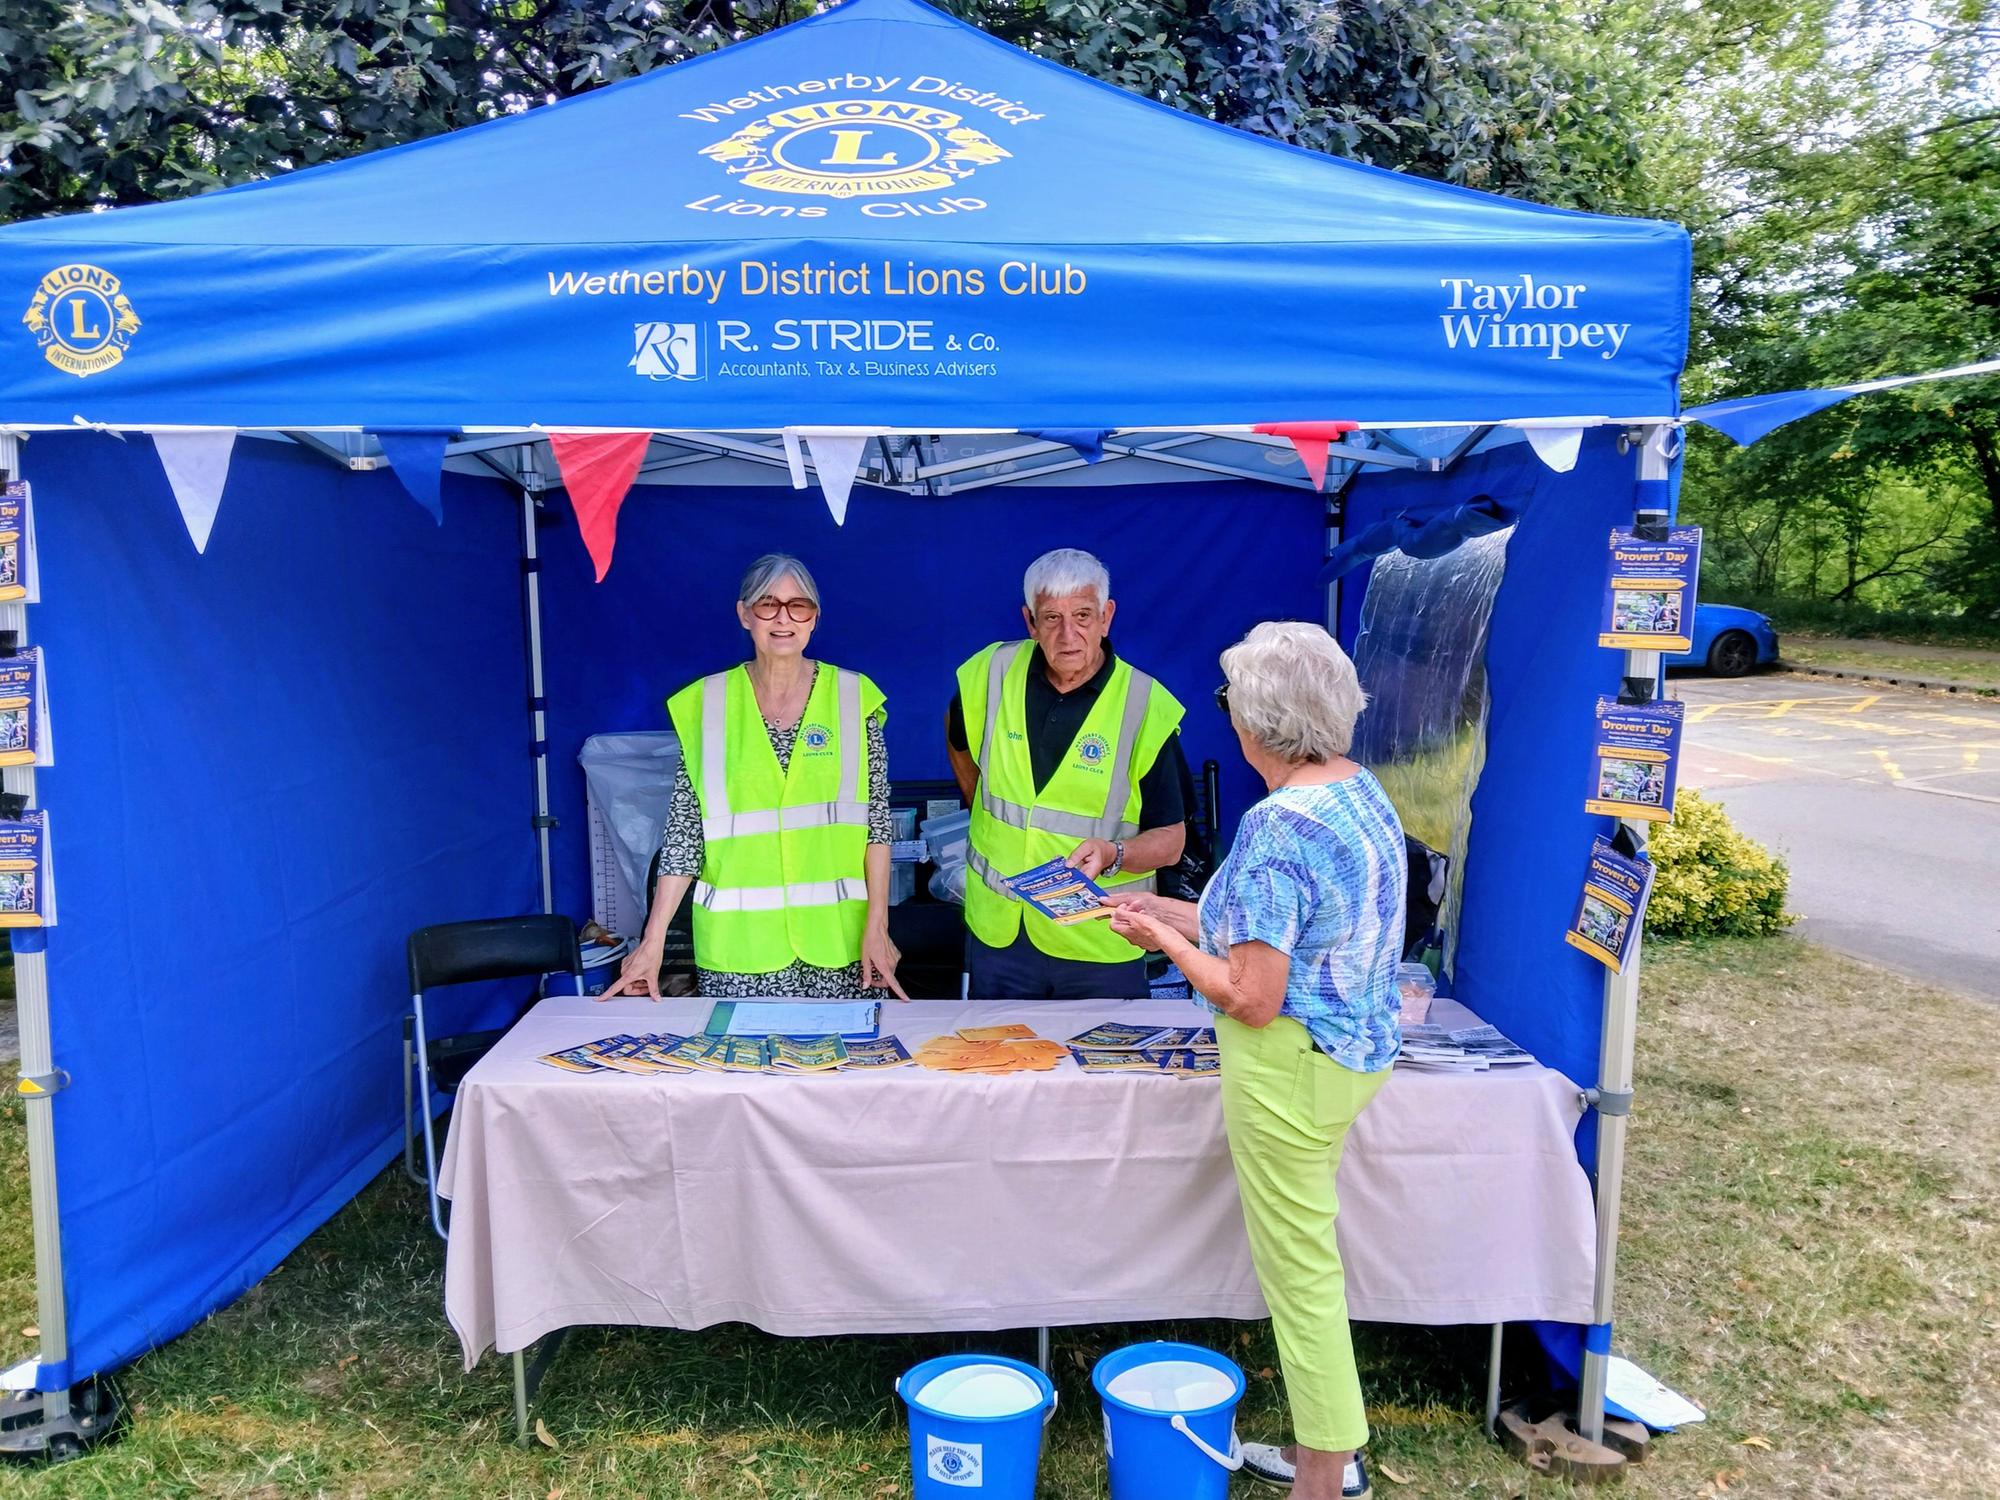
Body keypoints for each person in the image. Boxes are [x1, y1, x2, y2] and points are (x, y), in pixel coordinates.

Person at [1105, 621, 1405, 1500]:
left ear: (1254, 724)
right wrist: (1170, 907)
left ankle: (1323, 1477)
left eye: (1230, 701)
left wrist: (1158, 933)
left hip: (1289, 1069)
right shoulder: (1356, 791)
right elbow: (1277, 932)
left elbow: (1249, 992)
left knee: (1302, 1284)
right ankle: (1326, 1458)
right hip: (1349, 1055)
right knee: (1312, 1267)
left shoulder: (1279, 827)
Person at [604, 554, 907, 1000]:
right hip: (738, 952)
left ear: (814, 618)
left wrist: (878, 927)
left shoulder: (853, 698)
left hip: (841, 946)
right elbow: (684, 839)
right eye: (768, 604)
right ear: (745, 614)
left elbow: (877, 827)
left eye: (798, 605)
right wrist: (652, 944)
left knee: (844, 1066)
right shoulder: (706, 705)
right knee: (745, 1068)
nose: (783, 618)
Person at [946, 547, 1186, 999]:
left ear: (1106, 617)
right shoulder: (989, 671)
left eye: (1082, 615)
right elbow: (958, 738)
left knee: (1103, 1071)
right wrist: (977, 796)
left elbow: (1172, 842)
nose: (1068, 634)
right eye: (1051, 618)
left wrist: (1114, 854)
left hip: (1102, 939)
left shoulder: (1145, 705)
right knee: (994, 1065)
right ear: (1030, 622)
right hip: (1000, 937)